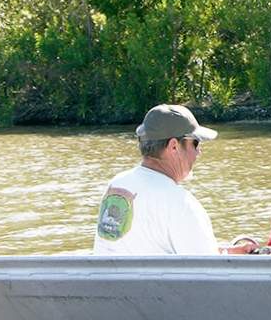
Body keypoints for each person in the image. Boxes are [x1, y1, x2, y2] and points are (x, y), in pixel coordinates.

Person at [93, 104, 220, 255]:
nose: (199, 152)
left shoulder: (117, 185)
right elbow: (209, 266)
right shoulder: (182, 203)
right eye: (195, 143)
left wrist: (226, 251)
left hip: (113, 272)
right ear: (174, 146)